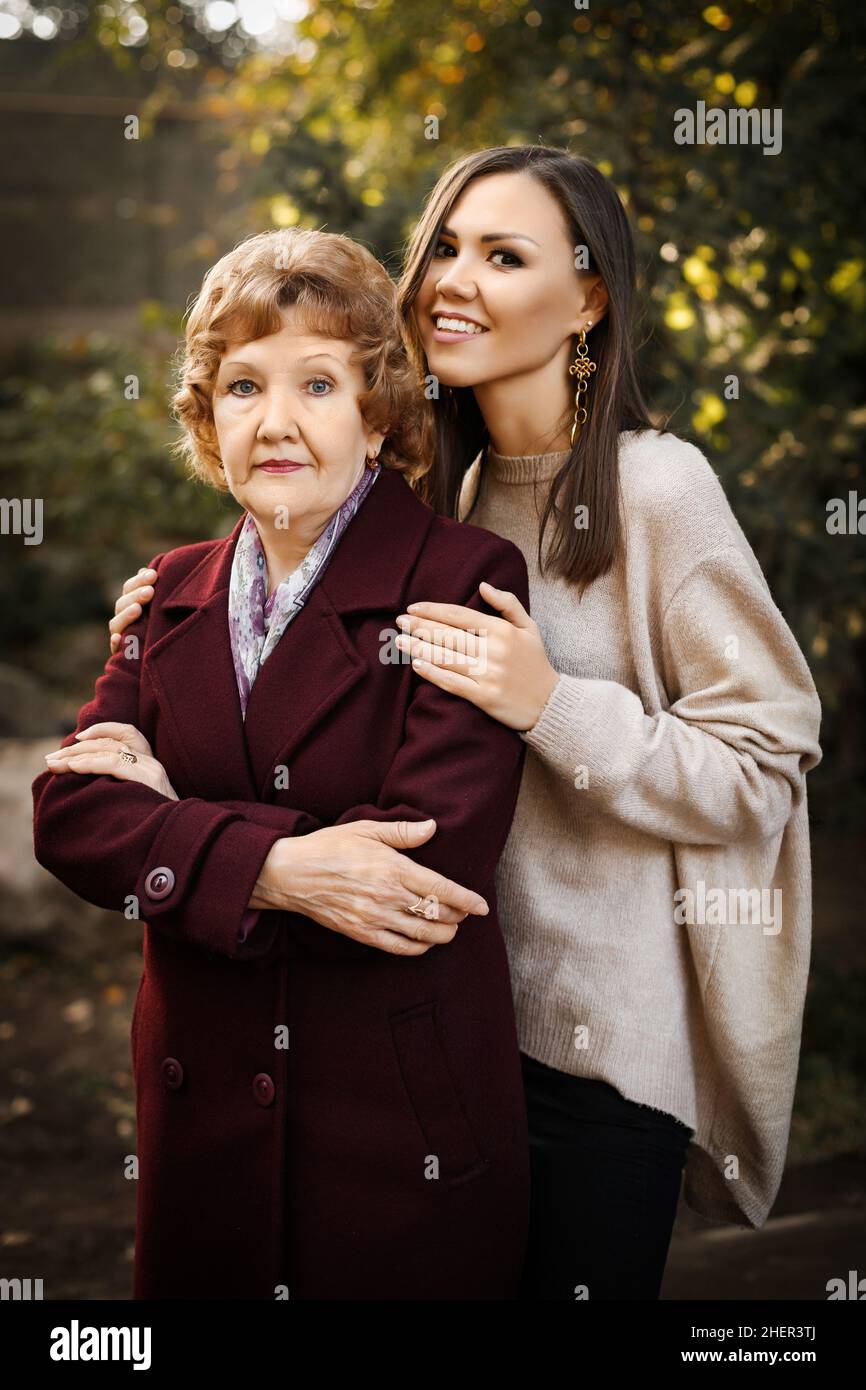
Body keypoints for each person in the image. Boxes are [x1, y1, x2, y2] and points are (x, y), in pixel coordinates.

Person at [106, 147, 823, 1301]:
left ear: (588, 298)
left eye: (502, 255)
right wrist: (160, 628)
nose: (452, 278)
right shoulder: (441, 498)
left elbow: (764, 765)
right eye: (442, 245)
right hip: (431, 1037)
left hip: (595, 1058)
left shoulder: (656, 490)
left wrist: (551, 704)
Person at [32, 226, 532, 1301]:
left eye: (316, 382)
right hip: (200, 1117)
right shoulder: (169, 589)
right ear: (207, 418)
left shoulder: (460, 573)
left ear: (375, 407)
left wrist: (176, 823)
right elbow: (69, 816)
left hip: (393, 1124)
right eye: (242, 386)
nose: (276, 420)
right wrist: (282, 869)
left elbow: (423, 871)